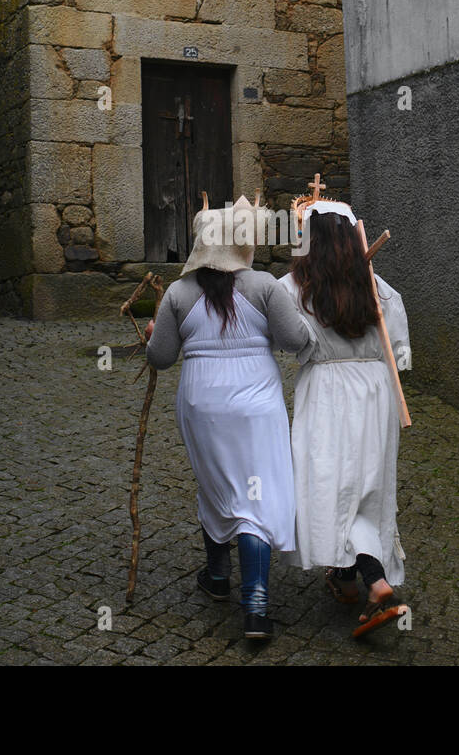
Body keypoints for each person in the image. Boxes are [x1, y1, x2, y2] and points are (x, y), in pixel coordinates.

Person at [145, 197, 310, 639]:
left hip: (202, 403)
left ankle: (217, 575)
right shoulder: (264, 286)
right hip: (256, 404)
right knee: (255, 495)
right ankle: (255, 603)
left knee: (216, 482)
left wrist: (157, 333)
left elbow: (159, 358)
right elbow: (296, 340)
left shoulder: (179, 293)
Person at [278, 199, 411, 636]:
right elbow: (401, 355)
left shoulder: (292, 288)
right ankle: (346, 577)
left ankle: (373, 579)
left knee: (332, 487)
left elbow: (285, 340)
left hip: (329, 395)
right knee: (368, 488)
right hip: (376, 394)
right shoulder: (381, 289)